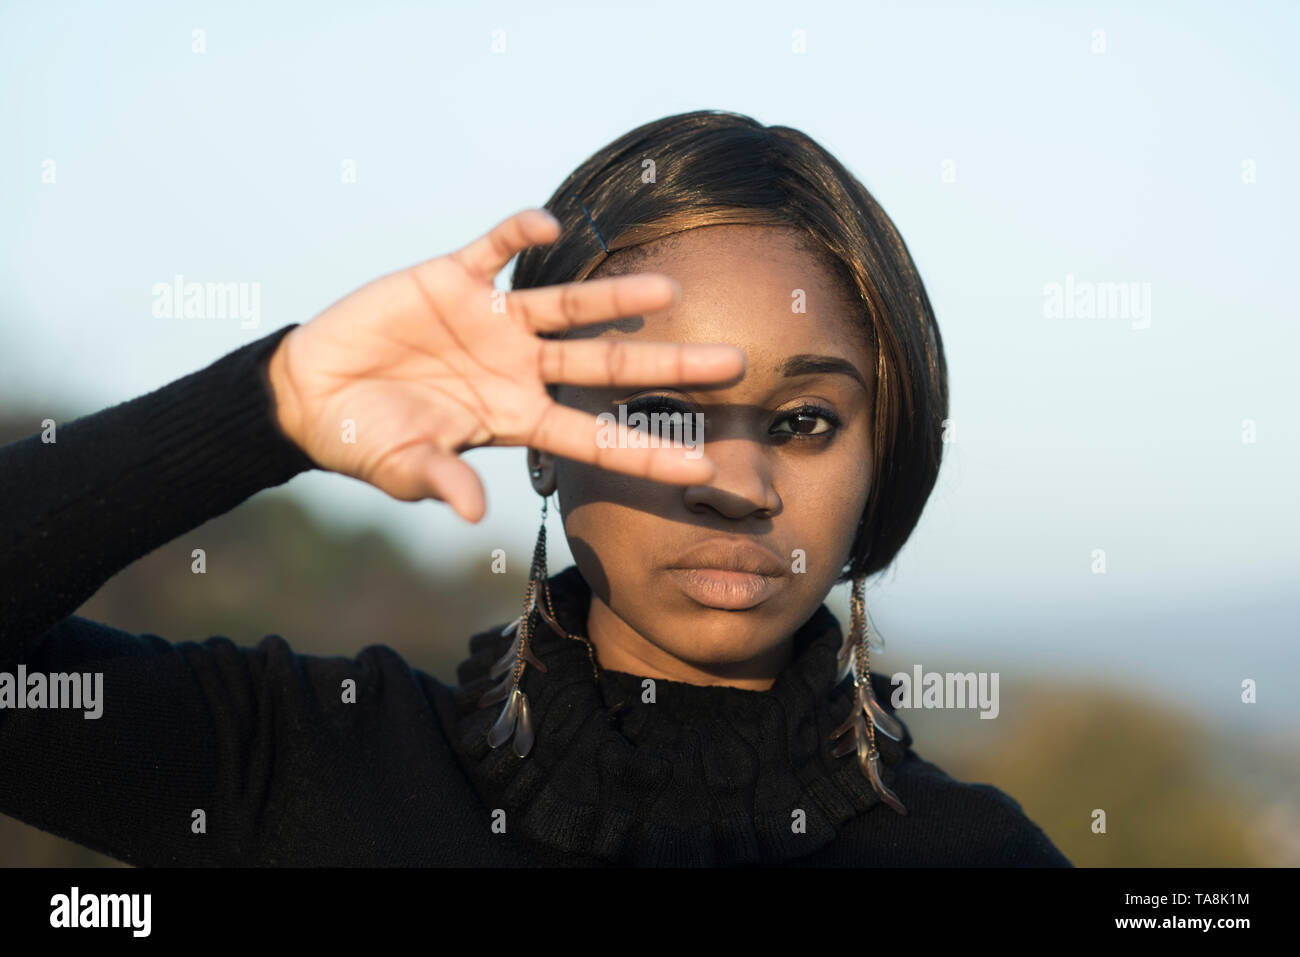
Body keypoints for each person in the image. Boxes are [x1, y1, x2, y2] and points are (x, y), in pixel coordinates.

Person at [0, 110, 1070, 866]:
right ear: (541, 438)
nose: (738, 485)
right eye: (660, 410)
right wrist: (270, 406)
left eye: (804, 422)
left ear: (882, 455)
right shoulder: (316, 761)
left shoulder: (981, 854)